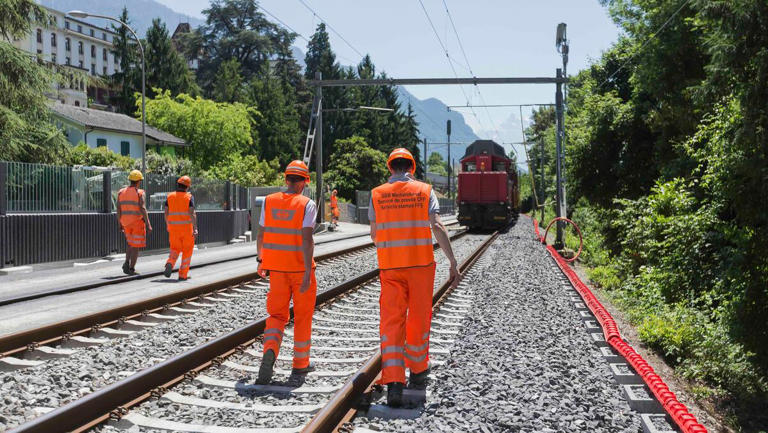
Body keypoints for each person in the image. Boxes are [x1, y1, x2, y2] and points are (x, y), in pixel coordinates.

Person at [369, 148, 460, 407]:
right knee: (418, 318)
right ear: (411, 167)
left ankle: (394, 382)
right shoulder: (424, 190)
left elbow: (375, 235)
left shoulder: (377, 195)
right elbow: (438, 226)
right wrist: (452, 261)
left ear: (390, 168)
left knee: (391, 322)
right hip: (420, 266)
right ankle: (418, 373)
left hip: (390, 267)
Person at [255, 160, 318, 383]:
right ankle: (300, 365)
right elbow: (307, 239)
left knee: (276, 315)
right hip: (300, 270)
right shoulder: (307, 204)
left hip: (277, 271)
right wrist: (308, 273)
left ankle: (270, 350)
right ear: (303, 182)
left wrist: (261, 260)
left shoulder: (269, 202)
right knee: (302, 317)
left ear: (286, 179)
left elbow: (261, 234)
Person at [117, 170, 152, 275]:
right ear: (139, 181)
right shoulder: (140, 193)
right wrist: (148, 224)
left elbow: (118, 209)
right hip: (137, 222)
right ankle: (132, 268)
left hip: (125, 222)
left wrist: (120, 223)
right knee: (136, 245)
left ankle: (127, 262)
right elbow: (142, 207)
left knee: (130, 243)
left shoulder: (121, 192)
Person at [163, 176, 197, 281]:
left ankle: (170, 263)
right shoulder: (189, 197)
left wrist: (168, 224)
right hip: (186, 229)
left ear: (178, 184)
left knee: (174, 249)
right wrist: (195, 228)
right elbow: (192, 213)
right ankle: (183, 274)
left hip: (173, 229)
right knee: (187, 251)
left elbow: (166, 212)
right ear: (187, 187)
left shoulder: (170, 196)